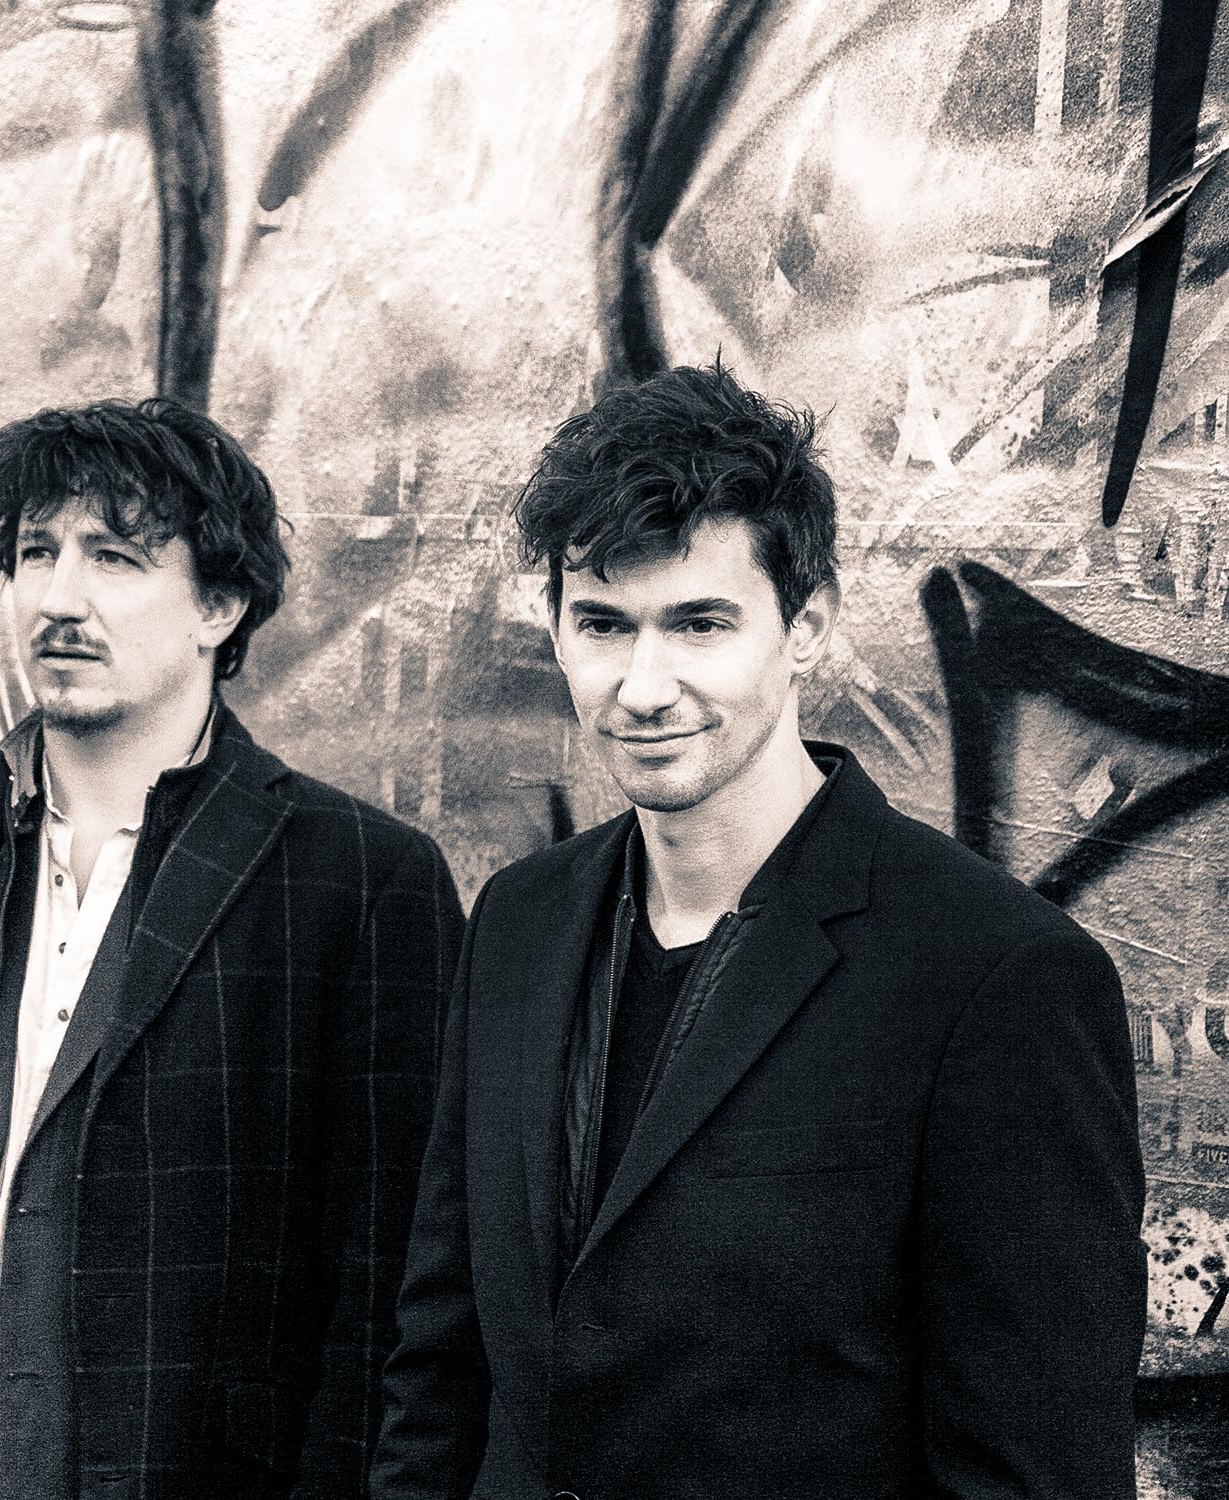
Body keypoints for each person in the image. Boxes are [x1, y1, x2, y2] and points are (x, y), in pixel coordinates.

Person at [371, 361, 1147, 1500]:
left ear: (807, 625)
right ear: (556, 630)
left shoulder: (997, 973)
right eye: (602, 625)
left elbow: (1035, 1467)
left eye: (698, 624)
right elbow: (441, 1361)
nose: (643, 686)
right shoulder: (518, 920)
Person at [0, 397, 464, 1499]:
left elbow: (384, 1299)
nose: (59, 598)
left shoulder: (359, 880)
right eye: (34, 553)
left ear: (218, 604)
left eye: (113, 557)